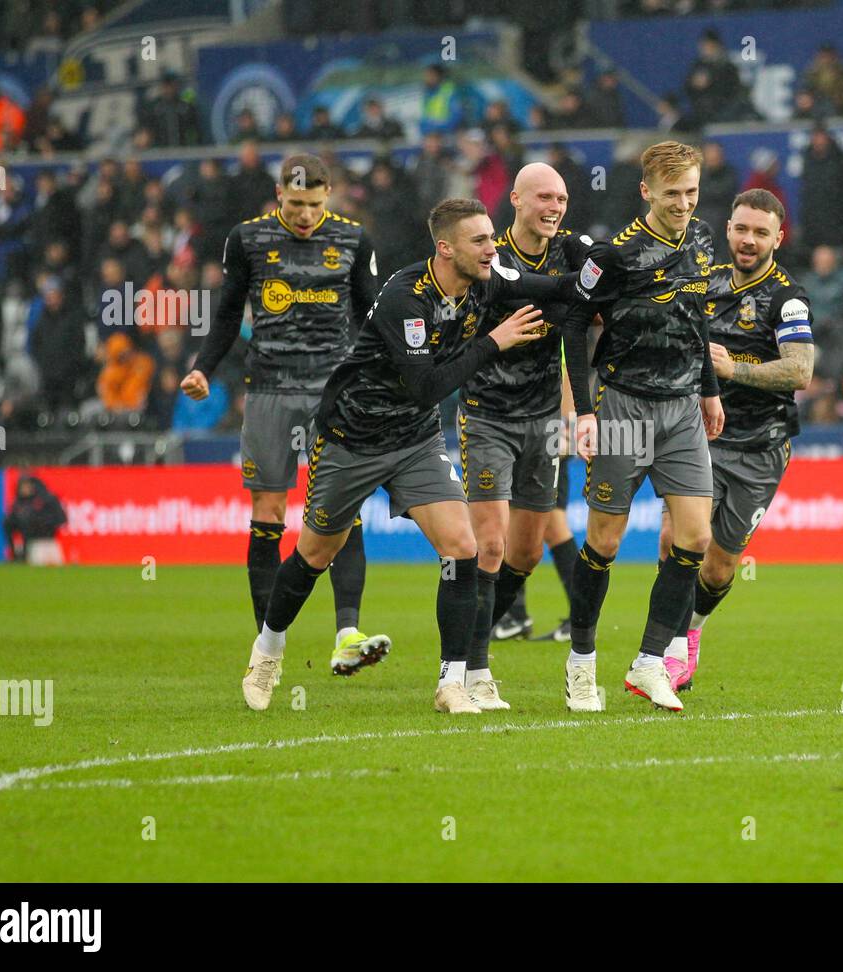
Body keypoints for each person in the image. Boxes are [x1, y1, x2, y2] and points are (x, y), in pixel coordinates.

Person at [240, 197, 577, 714]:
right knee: (314, 555)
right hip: (352, 438)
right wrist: (495, 341)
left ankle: (451, 684)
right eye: (480, 240)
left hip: (415, 442)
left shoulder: (490, 279)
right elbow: (425, 386)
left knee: (462, 547)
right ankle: (268, 647)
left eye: (492, 237)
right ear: (446, 249)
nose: (493, 248)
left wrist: (603, 271)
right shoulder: (405, 297)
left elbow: (555, 289)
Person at [180, 154, 390, 678]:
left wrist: (385, 376)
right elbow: (229, 311)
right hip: (270, 389)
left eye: (314, 205)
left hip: (334, 391)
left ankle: (348, 636)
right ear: (279, 194)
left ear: (329, 196)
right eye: (295, 204)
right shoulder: (247, 240)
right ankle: (266, 650)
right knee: (269, 511)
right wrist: (203, 367)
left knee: (342, 509)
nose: (303, 215)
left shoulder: (352, 239)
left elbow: (372, 316)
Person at [560, 141, 723, 713]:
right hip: (624, 406)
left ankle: (650, 662)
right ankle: (581, 664)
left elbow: (696, 319)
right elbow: (575, 323)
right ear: (646, 191)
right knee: (604, 540)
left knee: (696, 538)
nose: (684, 203)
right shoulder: (615, 255)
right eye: (673, 192)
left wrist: (709, 390)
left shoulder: (703, 240)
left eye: (692, 191)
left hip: (681, 411)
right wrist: (582, 411)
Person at [657, 188, 813, 691]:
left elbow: (800, 371)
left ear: (778, 239)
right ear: (727, 229)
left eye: (760, 233)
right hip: (696, 437)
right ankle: (669, 647)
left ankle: (693, 630)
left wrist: (734, 368)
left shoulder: (787, 298)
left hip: (760, 447)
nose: (749, 240)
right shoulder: (703, 282)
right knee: (677, 538)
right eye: (742, 229)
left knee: (720, 567)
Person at [456, 163, 591, 709]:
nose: (554, 207)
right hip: (488, 414)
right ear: (515, 199)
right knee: (489, 544)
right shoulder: (490, 256)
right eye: (543, 197)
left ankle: (471, 640)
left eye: (561, 198)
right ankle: (476, 671)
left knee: (526, 552)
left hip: (542, 420)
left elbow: (598, 289)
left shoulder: (570, 252)